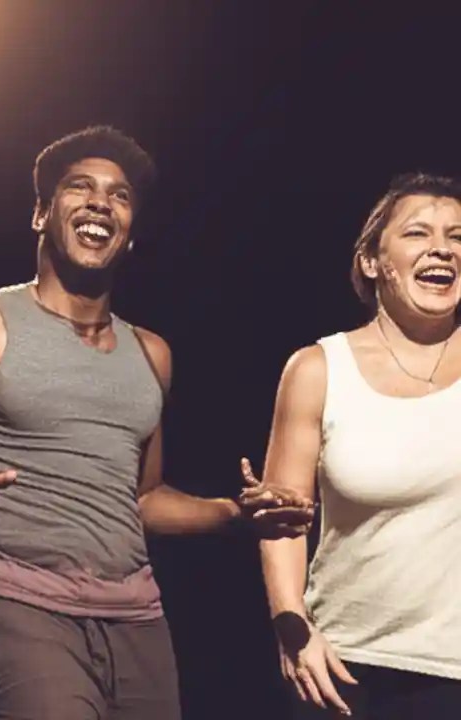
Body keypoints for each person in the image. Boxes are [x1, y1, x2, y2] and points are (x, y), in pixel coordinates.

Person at [0, 125, 312, 720]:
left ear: (128, 235)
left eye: (119, 195)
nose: (101, 202)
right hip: (18, 600)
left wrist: (237, 513)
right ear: (41, 214)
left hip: (137, 614)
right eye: (80, 187)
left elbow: (145, 499)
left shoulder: (152, 354)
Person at [252, 173, 461, 719]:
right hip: (343, 670)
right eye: (417, 232)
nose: (442, 248)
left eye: (457, 237)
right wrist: (292, 628)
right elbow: (284, 521)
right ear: (371, 261)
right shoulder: (318, 369)